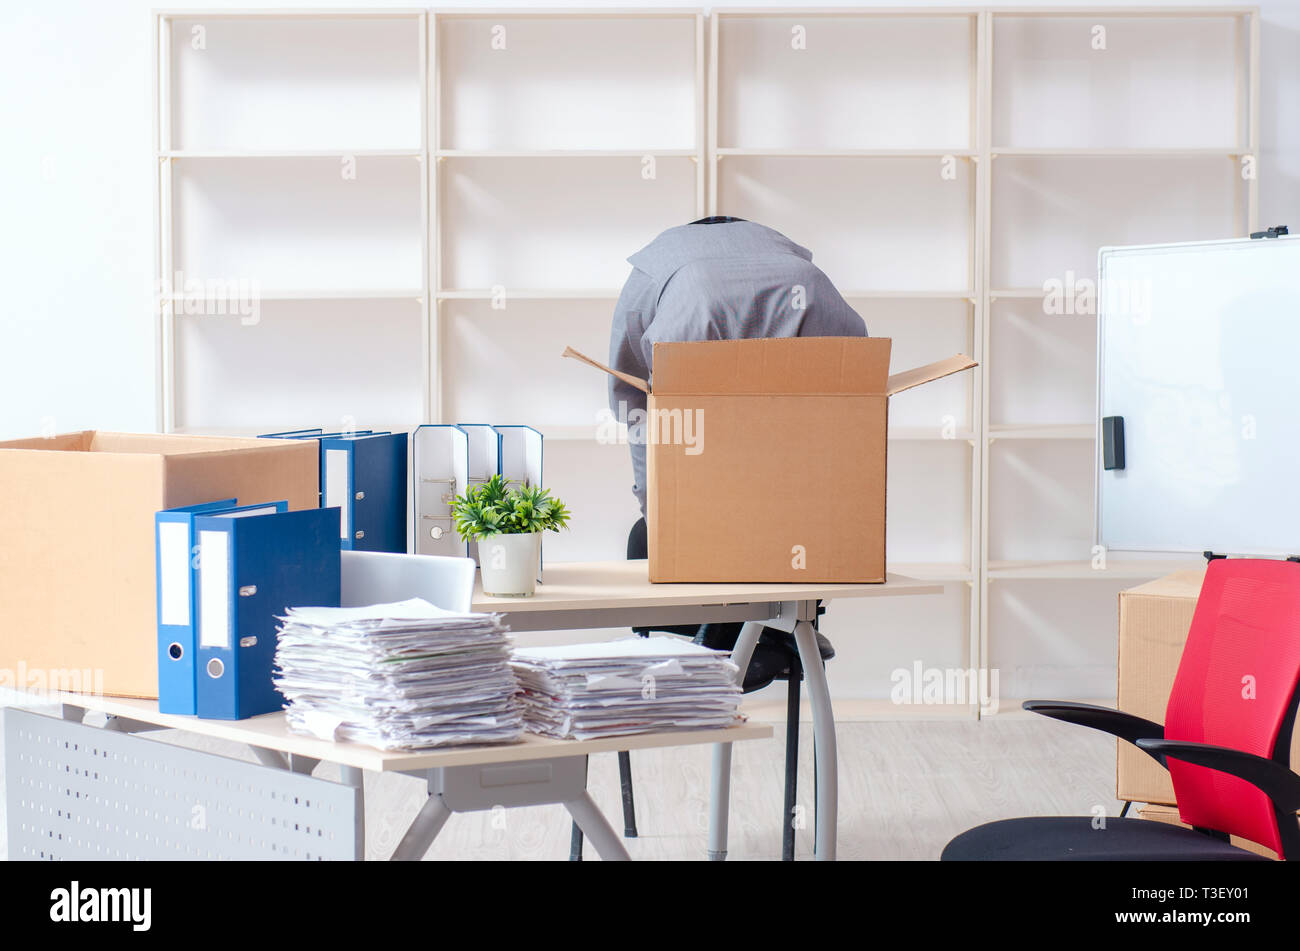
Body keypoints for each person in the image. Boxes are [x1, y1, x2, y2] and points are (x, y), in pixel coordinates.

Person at [608, 217, 867, 686]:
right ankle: (785, 626)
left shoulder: (651, 271)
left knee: (666, 525)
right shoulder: (796, 264)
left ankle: (726, 633)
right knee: (800, 490)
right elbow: (854, 415)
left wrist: (655, 508)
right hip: (809, 297)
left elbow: (633, 403)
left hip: (695, 312)